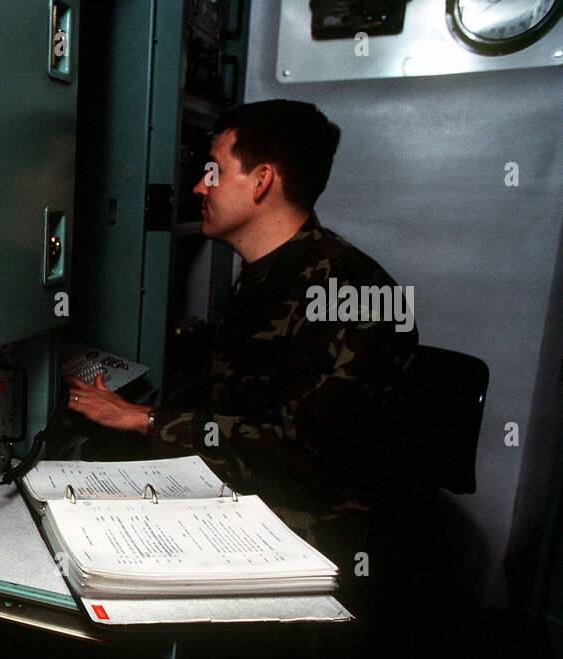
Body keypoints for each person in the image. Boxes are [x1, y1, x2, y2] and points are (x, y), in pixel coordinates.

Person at [65, 100, 419, 599]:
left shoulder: (350, 292)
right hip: (251, 496)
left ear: (261, 181)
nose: (197, 187)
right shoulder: (266, 278)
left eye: (213, 172)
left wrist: (145, 419)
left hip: (321, 534)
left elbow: (301, 453)